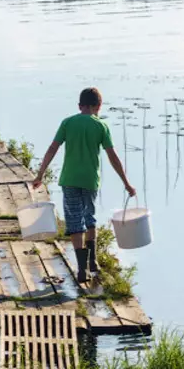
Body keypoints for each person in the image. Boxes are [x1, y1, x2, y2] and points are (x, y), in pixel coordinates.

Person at [31, 87, 136, 283]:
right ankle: (93, 261)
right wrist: (126, 183)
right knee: (90, 216)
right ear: (99, 106)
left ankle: (81, 270)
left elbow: (53, 148)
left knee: (74, 221)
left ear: (80, 106)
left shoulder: (68, 123)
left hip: (69, 180)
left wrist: (40, 174)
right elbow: (113, 156)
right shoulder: (101, 126)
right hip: (90, 181)